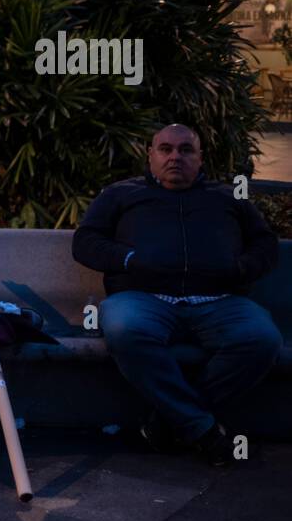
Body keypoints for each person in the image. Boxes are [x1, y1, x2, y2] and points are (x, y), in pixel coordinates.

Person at [72, 123, 281, 466]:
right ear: (151, 156)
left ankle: (169, 422)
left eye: (186, 150)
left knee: (261, 340)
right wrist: (130, 259)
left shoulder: (228, 197)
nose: (175, 157)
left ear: (200, 159)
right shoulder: (120, 194)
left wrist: (240, 268)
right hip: (142, 298)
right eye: (165, 149)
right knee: (125, 331)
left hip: (220, 301)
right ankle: (203, 430)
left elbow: (265, 243)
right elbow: (86, 242)